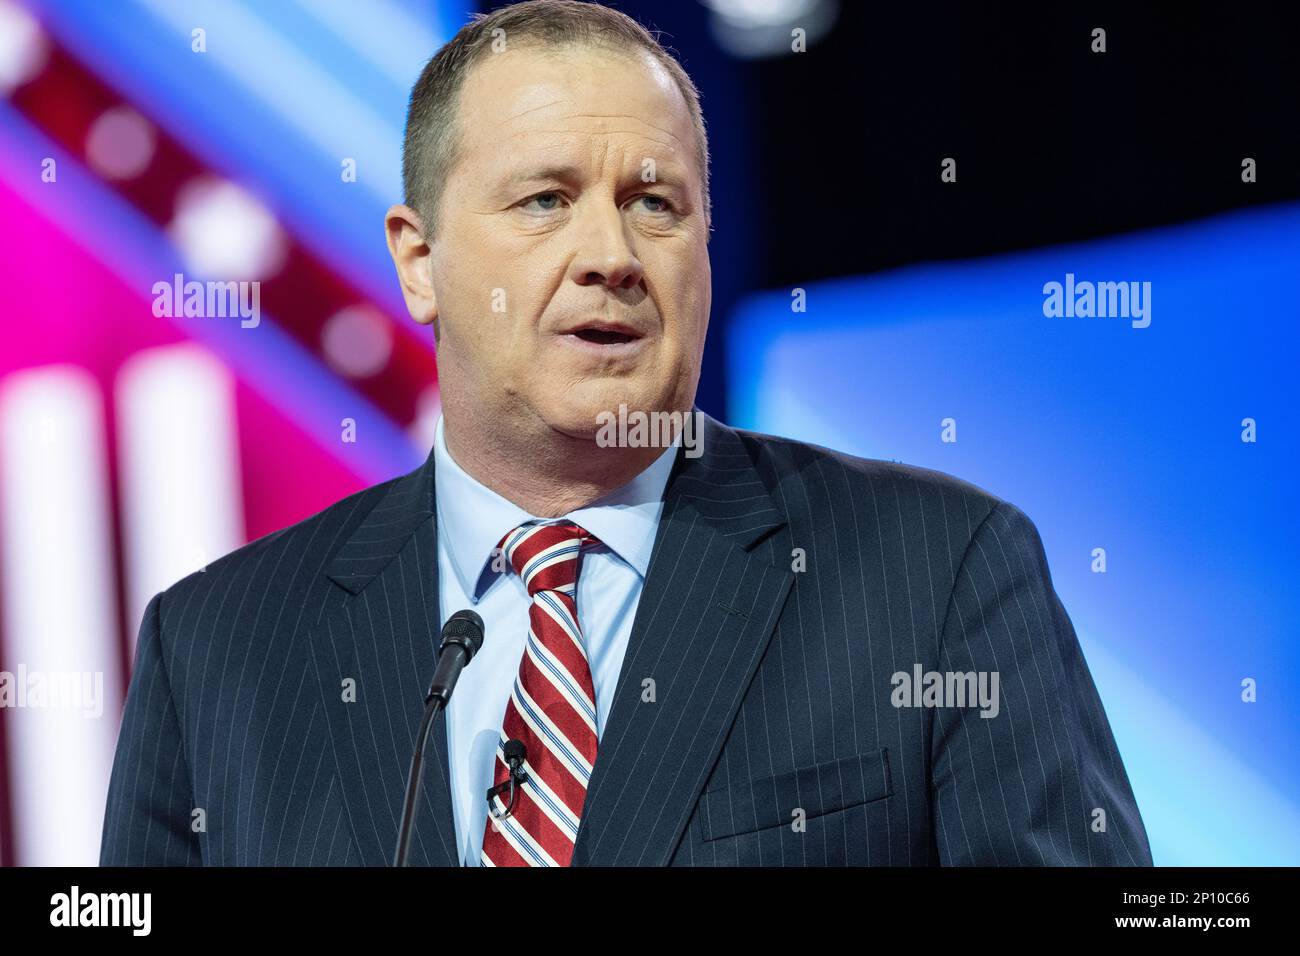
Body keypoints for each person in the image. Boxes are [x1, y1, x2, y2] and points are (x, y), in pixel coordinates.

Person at [100, 0, 1152, 867]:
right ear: (418, 263)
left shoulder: (938, 576)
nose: (609, 252)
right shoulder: (218, 652)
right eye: (546, 200)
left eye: (655, 204)